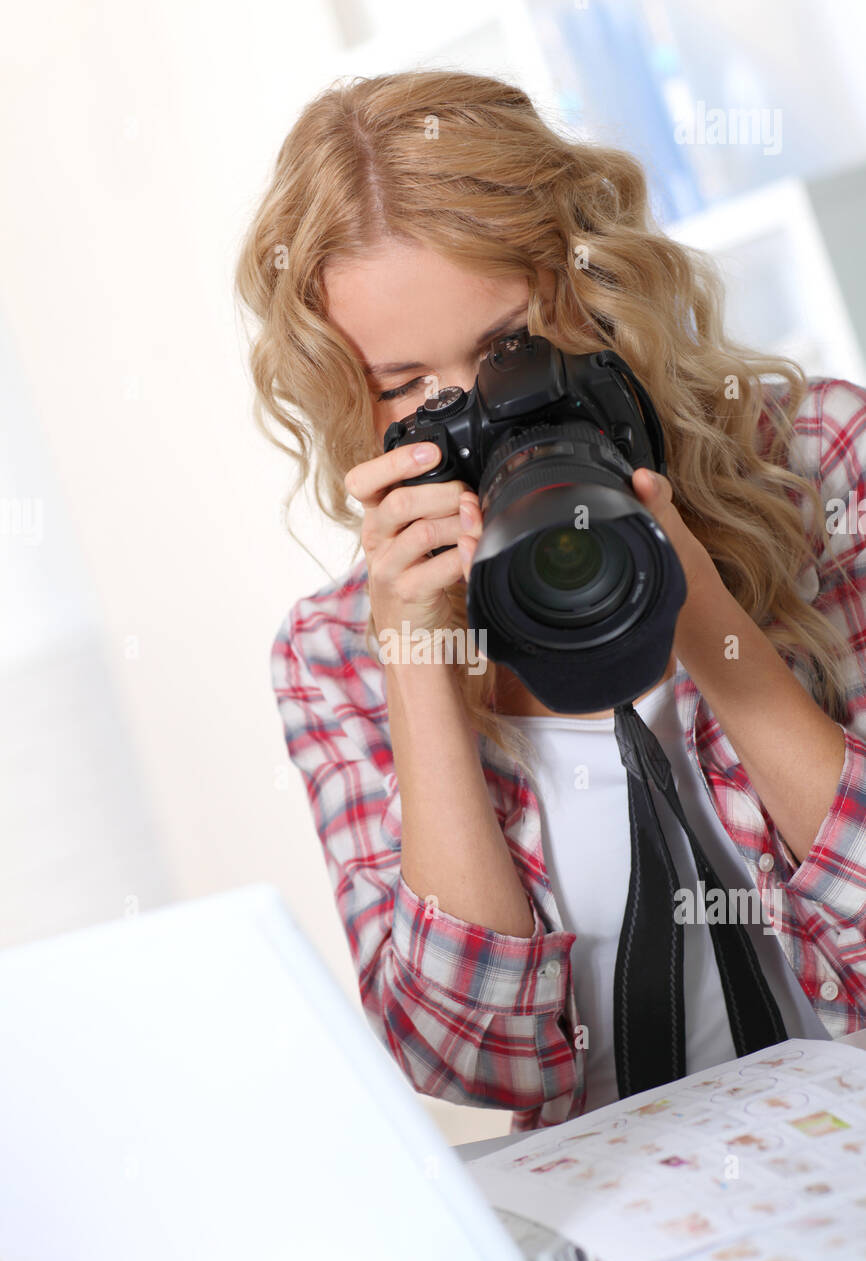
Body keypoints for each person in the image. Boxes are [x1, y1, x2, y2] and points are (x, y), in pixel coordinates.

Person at [234, 70, 866, 1132]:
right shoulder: (336, 651)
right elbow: (474, 1068)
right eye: (406, 386)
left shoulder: (819, 466)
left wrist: (702, 613)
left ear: (597, 294)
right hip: (635, 1227)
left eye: (507, 350)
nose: (476, 410)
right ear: (350, 394)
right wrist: (420, 663)